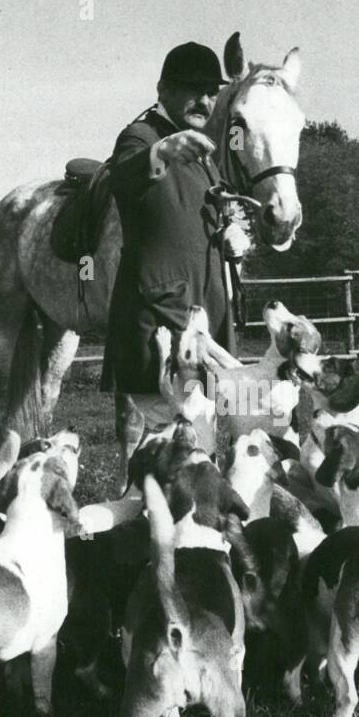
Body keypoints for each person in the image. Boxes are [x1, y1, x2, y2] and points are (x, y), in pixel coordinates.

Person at [100, 41, 239, 449]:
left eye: (212, 91)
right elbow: (120, 179)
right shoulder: (140, 136)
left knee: (202, 444)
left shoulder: (206, 154)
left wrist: (230, 235)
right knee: (177, 448)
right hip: (158, 320)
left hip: (206, 318)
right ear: (162, 90)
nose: (205, 99)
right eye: (191, 88)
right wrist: (161, 151)